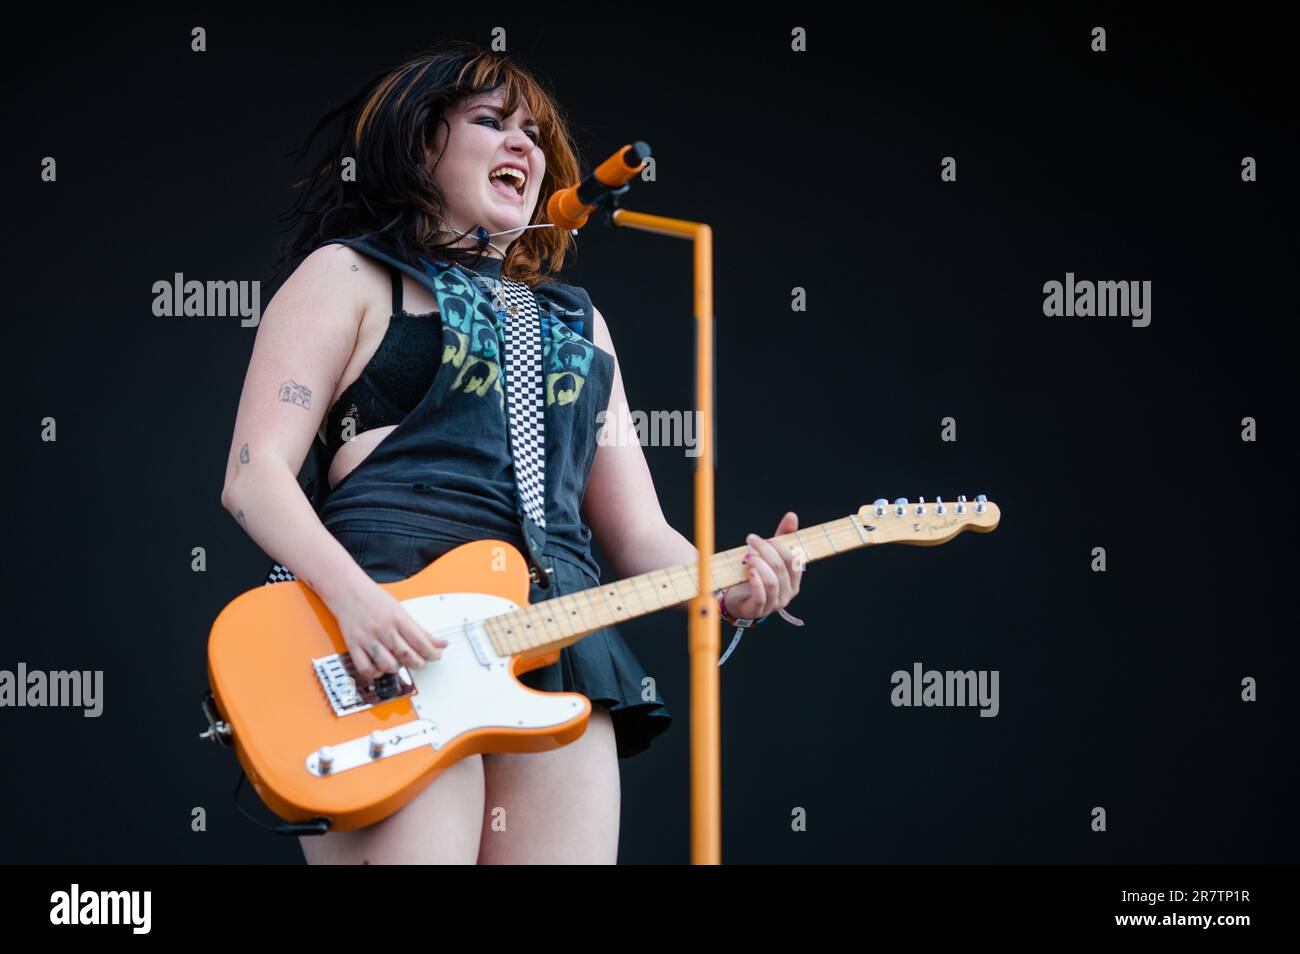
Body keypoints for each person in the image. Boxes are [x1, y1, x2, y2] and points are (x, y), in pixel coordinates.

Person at [218, 40, 805, 864]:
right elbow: (254, 476)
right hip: (387, 629)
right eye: (491, 123)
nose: (524, 146)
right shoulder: (348, 277)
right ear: (419, 146)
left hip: (555, 646)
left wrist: (730, 587)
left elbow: (638, 535)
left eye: (535, 133)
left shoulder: (577, 325)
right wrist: (356, 602)